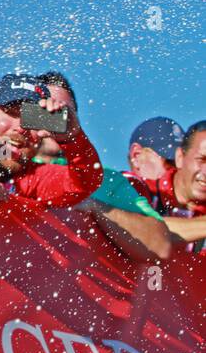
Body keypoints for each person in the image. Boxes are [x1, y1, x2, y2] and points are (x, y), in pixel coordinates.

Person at [33, 71, 172, 260]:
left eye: (64, 112)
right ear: (27, 115)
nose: (56, 117)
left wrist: (95, 207)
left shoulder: (108, 180)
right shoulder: (3, 167)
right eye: (46, 109)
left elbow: (160, 245)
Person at [0, 73, 102, 208]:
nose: (21, 128)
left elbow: (86, 182)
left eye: (32, 118)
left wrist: (73, 137)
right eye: (12, 113)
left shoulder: (34, 180)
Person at [127, 120, 206, 249]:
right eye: (169, 160)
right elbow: (141, 229)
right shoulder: (127, 185)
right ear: (180, 157)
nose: (173, 168)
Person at [127, 117, 183, 183]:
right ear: (136, 156)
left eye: (184, 163)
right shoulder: (117, 191)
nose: (179, 167)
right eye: (170, 161)